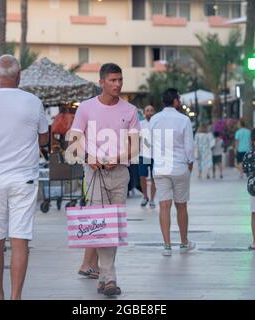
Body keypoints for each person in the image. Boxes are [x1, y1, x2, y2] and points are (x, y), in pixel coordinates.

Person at [0, 55, 49, 300]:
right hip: (23, 178)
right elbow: (44, 138)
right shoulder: (33, 101)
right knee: (20, 241)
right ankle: (16, 297)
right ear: (19, 76)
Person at [69, 63, 140, 297]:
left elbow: (135, 146)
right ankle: (110, 278)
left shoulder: (129, 110)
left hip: (120, 173)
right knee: (101, 224)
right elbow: (74, 142)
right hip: (94, 173)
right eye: (112, 80)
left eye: (120, 79)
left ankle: (104, 277)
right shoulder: (86, 108)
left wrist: (117, 158)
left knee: (114, 226)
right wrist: (88, 157)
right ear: (101, 82)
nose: (117, 84)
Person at [149, 88, 195, 257]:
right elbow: (189, 146)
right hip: (179, 167)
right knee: (181, 206)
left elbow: (148, 145)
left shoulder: (154, 119)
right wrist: (190, 163)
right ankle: (184, 243)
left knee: (164, 206)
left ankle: (167, 246)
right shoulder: (184, 120)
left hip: (160, 167)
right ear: (175, 101)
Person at [139, 105, 156, 209]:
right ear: (144, 113)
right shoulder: (140, 124)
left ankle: (153, 200)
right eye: (147, 110)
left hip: (155, 155)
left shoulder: (157, 123)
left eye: (151, 110)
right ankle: (145, 196)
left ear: (154, 112)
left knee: (154, 178)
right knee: (143, 176)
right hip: (144, 154)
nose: (149, 112)